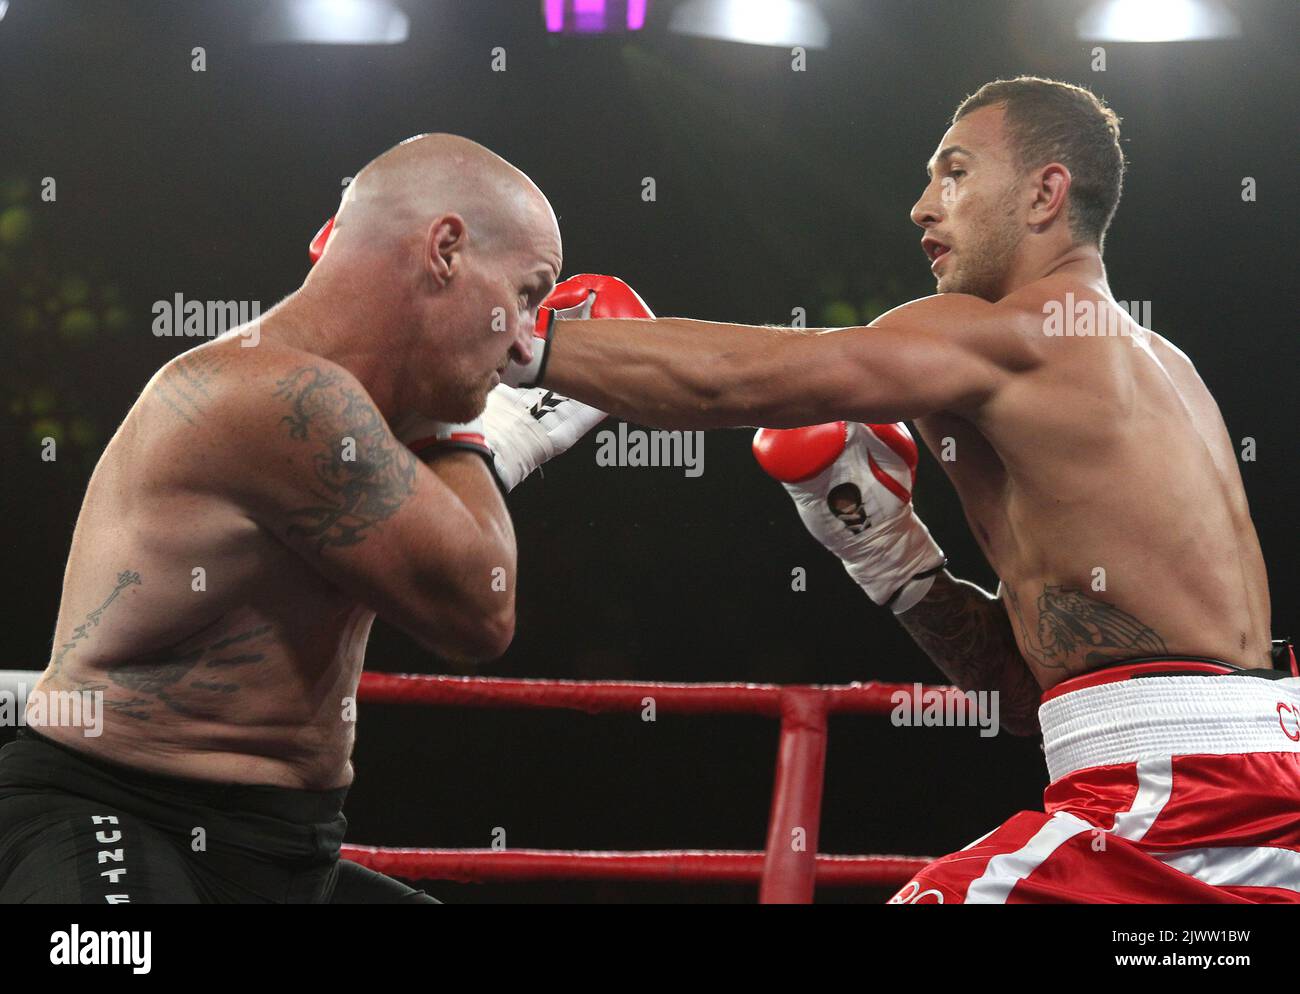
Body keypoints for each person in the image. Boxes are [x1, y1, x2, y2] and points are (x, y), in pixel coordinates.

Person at [503, 77, 1300, 902]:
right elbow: (1027, 696)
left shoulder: (1013, 339)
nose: (923, 207)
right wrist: (889, 554)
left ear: (1045, 194)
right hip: (1246, 791)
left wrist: (524, 343)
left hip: (1174, 800)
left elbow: (738, 383)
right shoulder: (1165, 369)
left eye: (953, 173)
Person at [0, 134, 646, 903]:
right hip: (111, 815)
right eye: (528, 293)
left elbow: (786, 374)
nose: (522, 342)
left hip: (285, 849)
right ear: (445, 249)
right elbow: (479, 607)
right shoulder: (274, 394)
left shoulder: (369, 413)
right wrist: (500, 427)